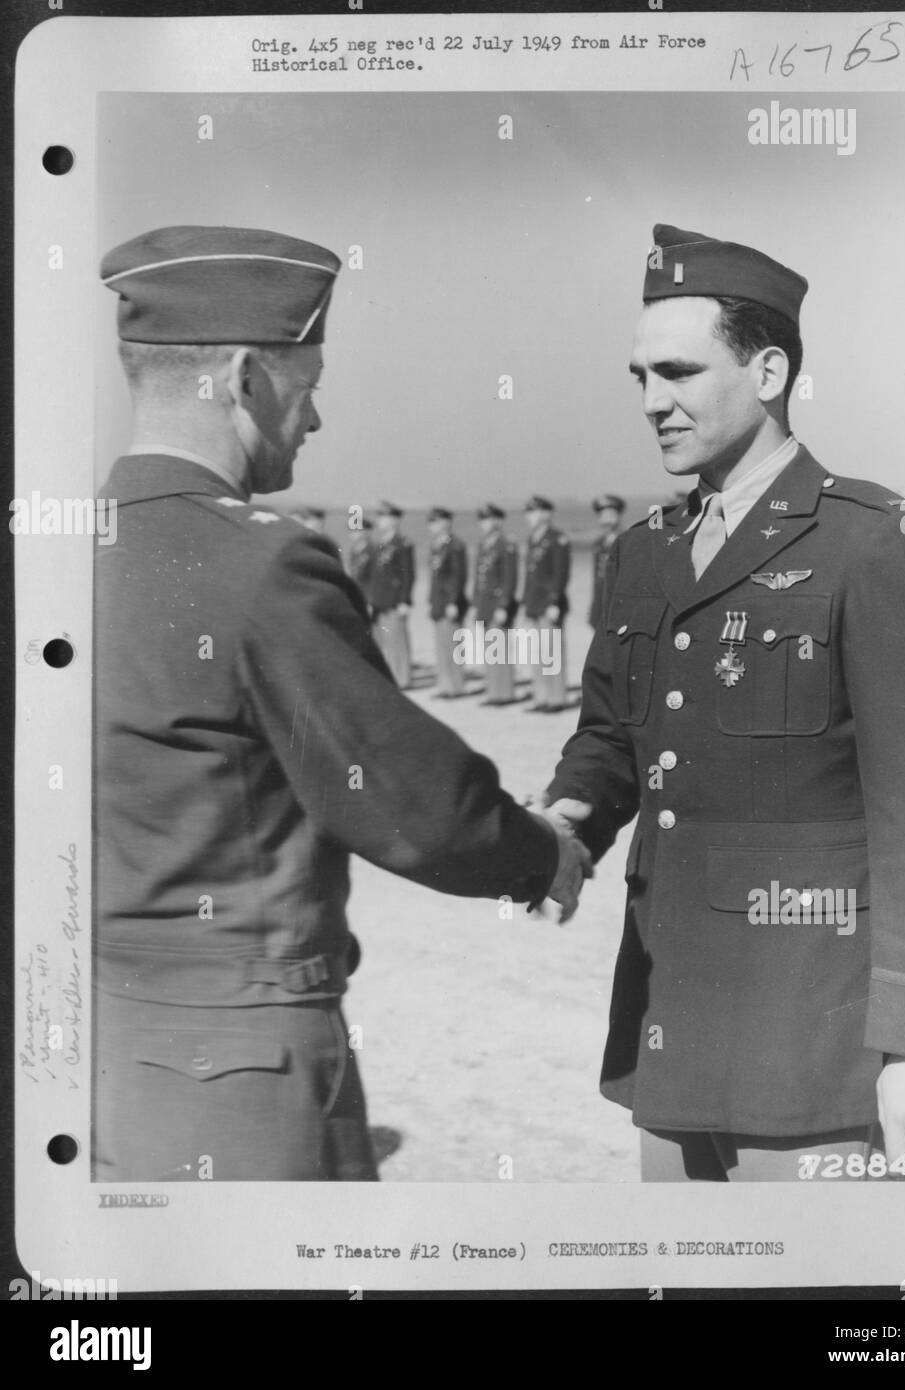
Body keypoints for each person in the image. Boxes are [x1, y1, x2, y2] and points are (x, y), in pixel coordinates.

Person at [93, 224, 591, 1183]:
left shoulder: (63, 552)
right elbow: (413, 802)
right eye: (306, 388)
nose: (313, 422)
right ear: (243, 379)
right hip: (237, 1064)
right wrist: (542, 853)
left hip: (96, 1040)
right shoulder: (260, 564)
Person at [542, 222, 905, 1182]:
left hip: (808, 1048)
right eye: (639, 378)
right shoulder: (644, 550)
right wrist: (566, 820)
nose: (652, 403)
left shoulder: (871, 543)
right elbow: (614, 738)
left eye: (680, 373)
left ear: (770, 370)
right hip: (666, 1025)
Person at [521, 495, 571, 714]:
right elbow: (530, 576)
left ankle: (556, 698)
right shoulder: (534, 539)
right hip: (535, 603)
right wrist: (526, 603)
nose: (530, 517)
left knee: (551, 652)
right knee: (537, 653)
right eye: (529, 512)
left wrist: (554, 601)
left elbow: (560, 574)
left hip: (550, 604)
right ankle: (541, 696)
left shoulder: (556, 539)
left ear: (546, 514)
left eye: (534, 512)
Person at [473, 503, 519, 707]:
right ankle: (494, 691)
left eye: (489, 519)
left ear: (499, 521)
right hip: (484, 604)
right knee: (489, 650)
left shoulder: (505, 544)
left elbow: (509, 578)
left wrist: (503, 605)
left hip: (497, 604)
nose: (485, 524)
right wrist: (476, 603)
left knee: (500, 649)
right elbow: (479, 578)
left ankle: (504, 693)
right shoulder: (485, 544)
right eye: (482, 520)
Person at [367, 500, 414, 689]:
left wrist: (405, 600)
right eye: (379, 516)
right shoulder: (380, 544)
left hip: (395, 601)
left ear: (395, 520)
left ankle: (402, 679)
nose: (380, 520)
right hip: (380, 601)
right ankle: (391, 677)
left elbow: (408, 574)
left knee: (397, 642)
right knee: (384, 641)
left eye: (384, 516)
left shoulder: (402, 544)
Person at [426, 506, 469, 699]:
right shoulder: (437, 545)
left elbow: (458, 576)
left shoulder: (455, 545)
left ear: (446, 522)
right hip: (438, 603)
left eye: (435, 521)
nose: (432, 526)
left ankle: (456, 686)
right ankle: (445, 685)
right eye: (430, 522)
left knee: (453, 646)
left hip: (450, 603)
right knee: (442, 646)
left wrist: (453, 601)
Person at [589, 493, 626, 628]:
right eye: (602, 515)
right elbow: (597, 579)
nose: (606, 520)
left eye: (610, 514)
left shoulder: (627, 540)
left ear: (618, 515)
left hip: (619, 608)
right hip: (600, 606)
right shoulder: (598, 544)